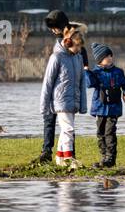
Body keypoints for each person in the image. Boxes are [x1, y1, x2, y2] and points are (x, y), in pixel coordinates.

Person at [37, 9, 91, 163]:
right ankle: (49, 151)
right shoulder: (58, 52)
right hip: (59, 88)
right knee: (53, 121)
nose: (53, 31)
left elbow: (81, 51)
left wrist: (84, 65)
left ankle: (67, 154)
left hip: (67, 89)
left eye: (55, 28)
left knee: (67, 126)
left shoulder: (74, 40)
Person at [87, 42, 125, 169]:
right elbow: (89, 84)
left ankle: (110, 159)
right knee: (100, 133)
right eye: (106, 56)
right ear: (100, 60)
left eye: (110, 56)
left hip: (113, 108)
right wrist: (86, 71)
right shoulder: (95, 73)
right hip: (100, 108)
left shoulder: (118, 72)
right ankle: (104, 157)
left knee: (110, 132)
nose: (110, 58)